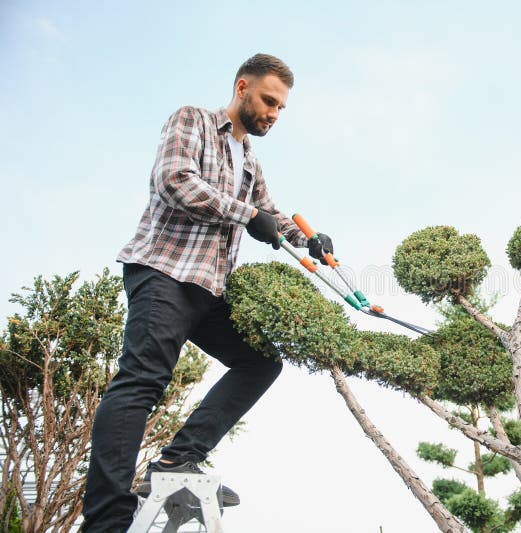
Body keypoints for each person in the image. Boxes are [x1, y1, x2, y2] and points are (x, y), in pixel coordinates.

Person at [81, 53, 333, 532]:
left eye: (281, 108)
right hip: (164, 272)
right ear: (242, 88)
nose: (273, 114)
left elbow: (271, 216)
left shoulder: (251, 164)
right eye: (267, 101)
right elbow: (175, 182)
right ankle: (106, 519)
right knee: (141, 382)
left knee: (261, 362)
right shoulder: (193, 120)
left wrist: (309, 240)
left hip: (208, 290)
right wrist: (246, 216)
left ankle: (179, 458)